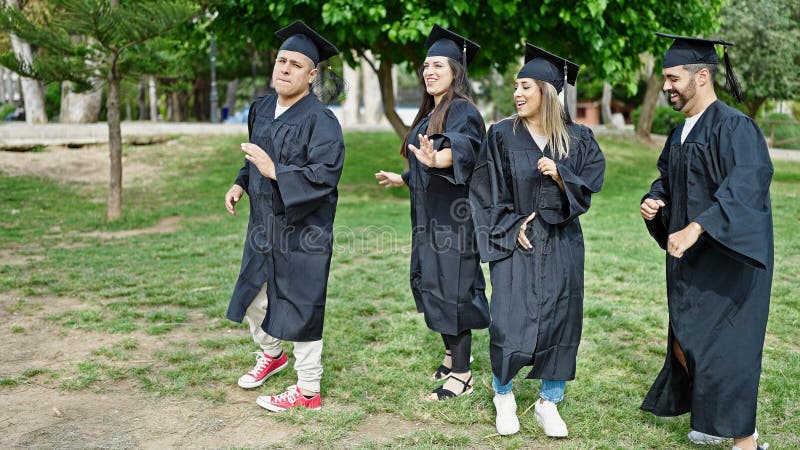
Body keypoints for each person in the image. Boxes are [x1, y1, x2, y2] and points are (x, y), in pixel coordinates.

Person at [639, 33, 773, 450]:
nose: (666, 86)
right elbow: (668, 177)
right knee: (687, 340)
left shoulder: (735, 126)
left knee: (728, 349)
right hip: (687, 258)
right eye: (664, 78)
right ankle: (711, 420)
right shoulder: (680, 134)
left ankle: (745, 439)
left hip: (728, 260)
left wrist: (698, 227)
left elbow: (747, 184)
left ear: (702, 76)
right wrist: (656, 198)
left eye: (673, 77)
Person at [470, 43, 605, 437]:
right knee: (509, 324)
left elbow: (591, 184)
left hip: (562, 243)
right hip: (516, 243)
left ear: (547, 92)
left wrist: (561, 174)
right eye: (516, 86)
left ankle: (550, 402)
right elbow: (483, 190)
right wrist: (511, 225)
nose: (518, 94)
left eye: (526, 86)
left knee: (561, 323)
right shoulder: (500, 135)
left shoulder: (578, 139)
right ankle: (504, 394)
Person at [223, 20, 345, 412]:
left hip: (303, 229)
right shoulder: (260, 108)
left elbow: (324, 176)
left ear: (311, 75)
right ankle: (272, 355)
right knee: (254, 297)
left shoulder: (322, 121)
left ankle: (309, 391)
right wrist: (241, 181)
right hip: (263, 224)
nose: (285, 68)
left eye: (295, 64)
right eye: (281, 60)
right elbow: (253, 157)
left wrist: (276, 171)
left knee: (300, 305)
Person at [374, 24, 490, 401]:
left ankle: (463, 375)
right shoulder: (431, 112)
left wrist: (439, 157)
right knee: (429, 284)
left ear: (456, 71)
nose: (428, 71)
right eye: (425, 65)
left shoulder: (462, 111)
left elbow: (464, 149)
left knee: (451, 292)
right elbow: (425, 161)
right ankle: (449, 353)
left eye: (437, 64)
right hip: (429, 221)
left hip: (453, 224)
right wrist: (405, 176)